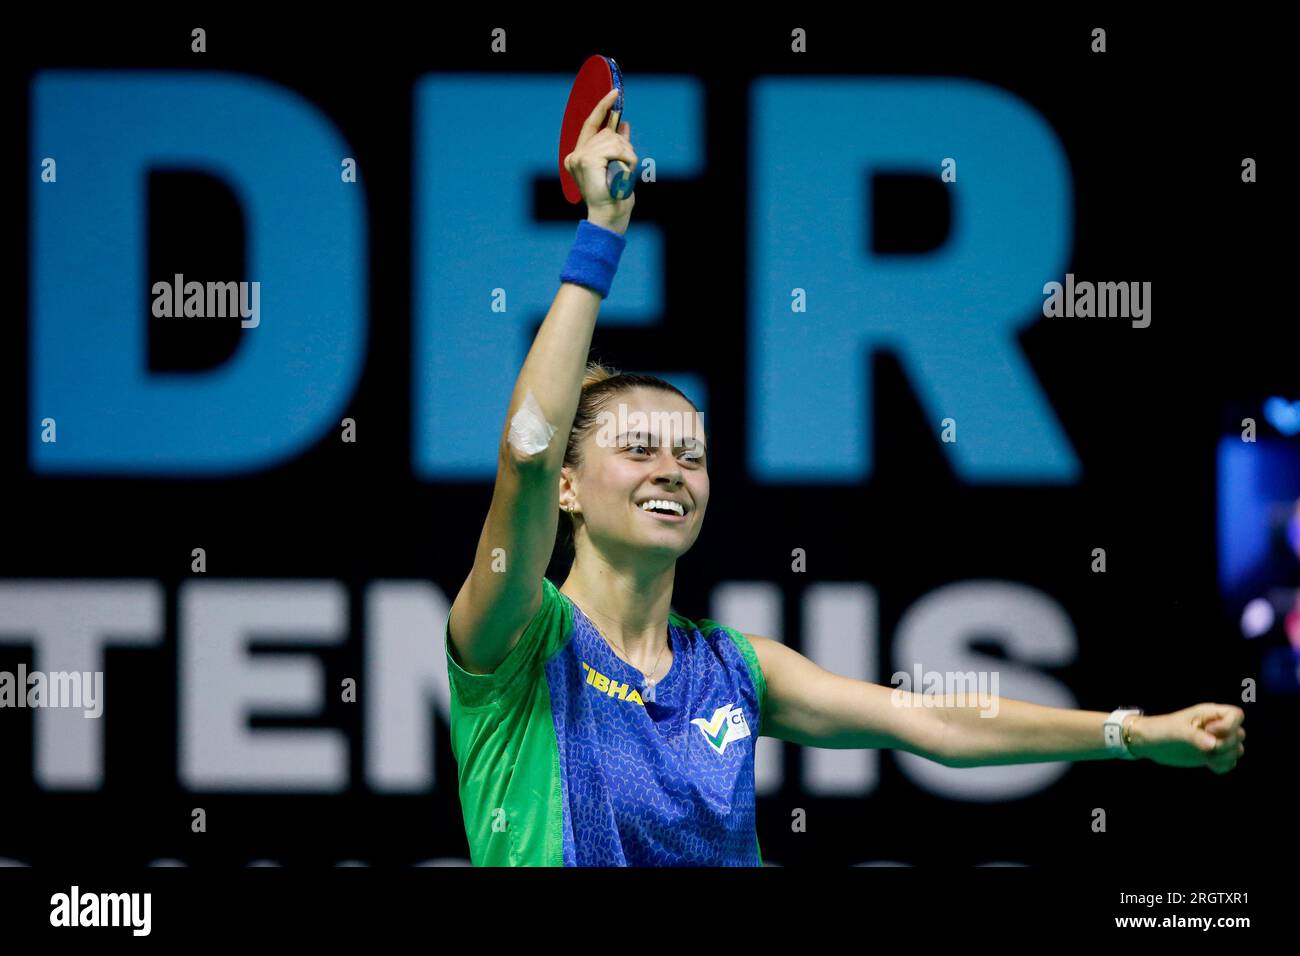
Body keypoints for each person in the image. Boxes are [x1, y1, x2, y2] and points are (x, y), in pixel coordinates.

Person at [442, 89, 1246, 867]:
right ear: (569, 489)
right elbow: (525, 448)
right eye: (640, 449)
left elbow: (932, 722)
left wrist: (1133, 733)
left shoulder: (734, 670)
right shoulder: (516, 635)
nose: (673, 473)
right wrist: (602, 232)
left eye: (692, 455)